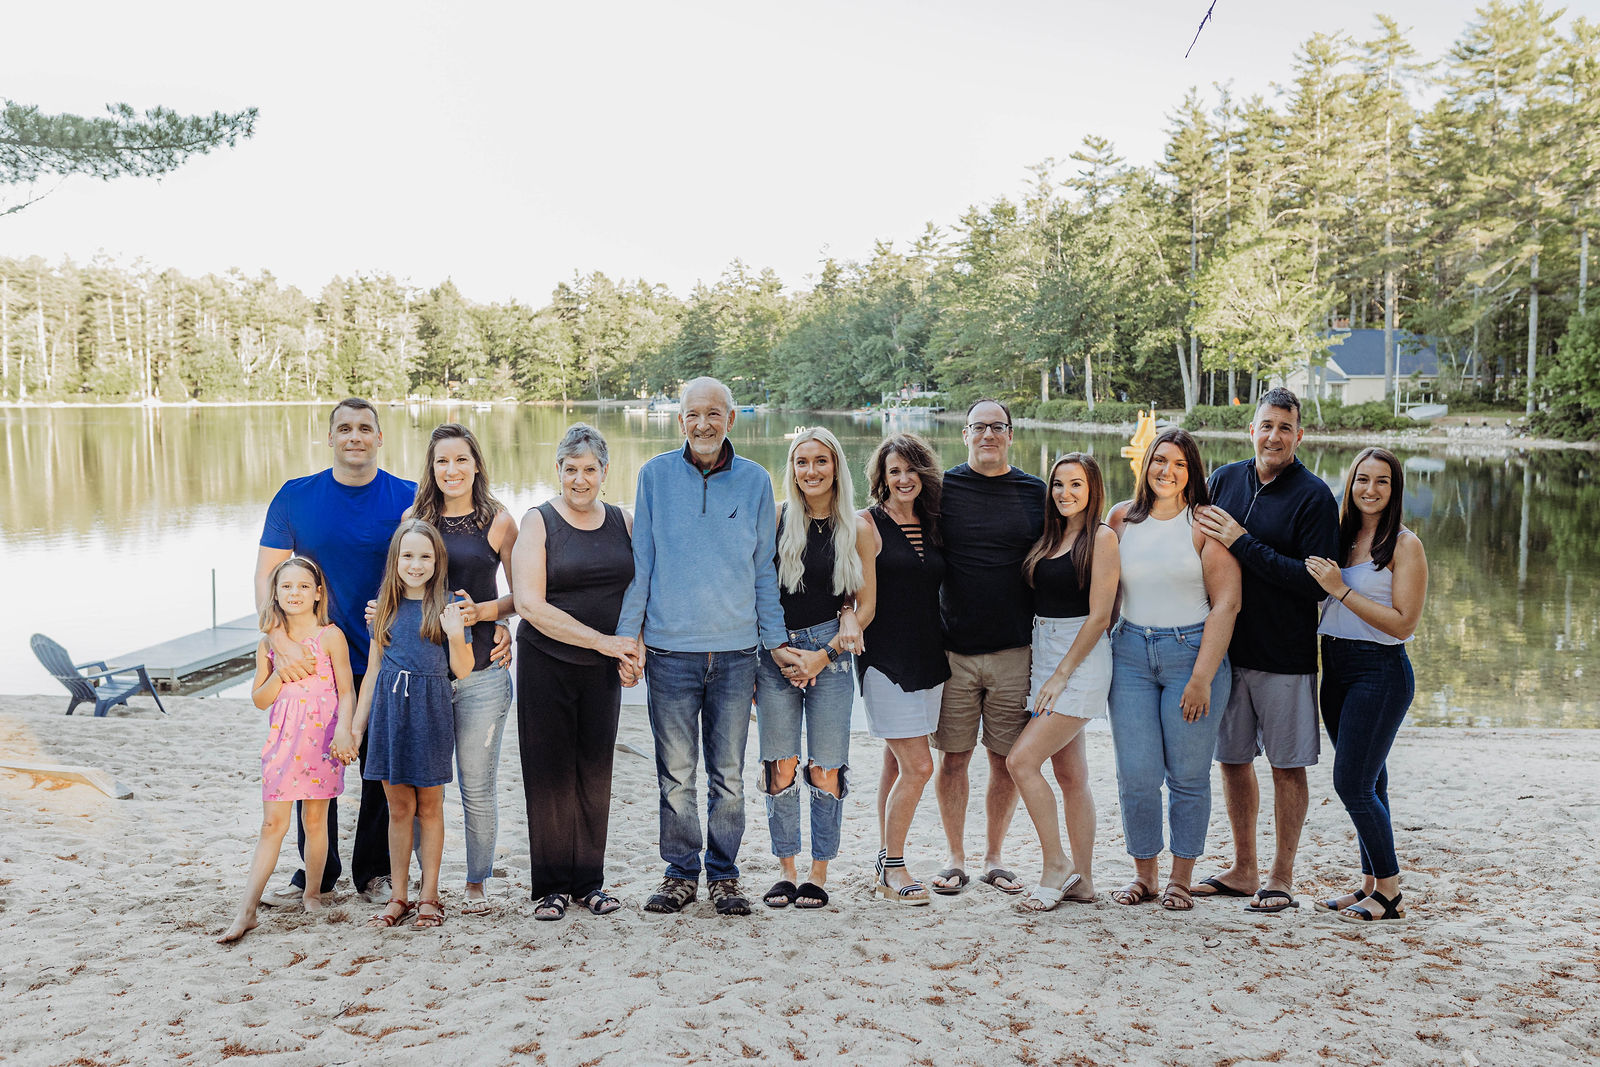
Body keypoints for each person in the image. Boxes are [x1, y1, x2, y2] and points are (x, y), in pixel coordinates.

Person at [614, 377, 789, 917]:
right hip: (670, 653)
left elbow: (764, 571)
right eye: (694, 414)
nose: (704, 423)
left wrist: (774, 643)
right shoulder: (654, 477)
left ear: (731, 419)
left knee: (729, 777)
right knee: (676, 775)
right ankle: (680, 873)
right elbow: (642, 562)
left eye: (714, 413)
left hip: (737, 655)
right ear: (680, 419)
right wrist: (628, 639)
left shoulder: (757, 481)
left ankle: (725, 875)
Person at [255, 399, 415, 906]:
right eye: (344, 428)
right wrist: (278, 639)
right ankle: (317, 872)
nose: (354, 436)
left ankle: (373, 872)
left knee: (377, 770)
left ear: (379, 437)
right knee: (308, 768)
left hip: (388, 654)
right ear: (330, 438)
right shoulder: (295, 496)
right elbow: (268, 576)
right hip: (312, 660)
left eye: (365, 428)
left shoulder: (408, 497)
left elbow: (436, 566)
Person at [1194, 387, 1339, 913]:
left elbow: (1315, 584)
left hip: (1284, 655)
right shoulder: (1224, 480)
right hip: (1226, 651)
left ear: (1299, 435)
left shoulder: (1315, 496)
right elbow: (1194, 549)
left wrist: (1241, 541)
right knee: (1231, 760)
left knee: (1286, 766)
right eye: (1266, 425)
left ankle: (1281, 875)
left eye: (1284, 427)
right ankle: (1244, 867)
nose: (1273, 435)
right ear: (1250, 429)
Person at [1105, 429, 1240, 911]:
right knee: (1136, 774)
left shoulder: (1204, 523)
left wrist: (1202, 676)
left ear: (1192, 472)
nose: (1167, 471)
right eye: (1160, 460)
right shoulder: (1121, 518)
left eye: (1180, 464)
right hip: (1131, 655)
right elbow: (1105, 596)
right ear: (1146, 464)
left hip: (1191, 655)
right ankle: (1145, 874)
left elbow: (1226, 604)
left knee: (1187, 774)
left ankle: (1181, 878)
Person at [511, 424, 638, 920]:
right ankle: (551, 888)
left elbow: (637, 593)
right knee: (549, 777)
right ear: (558, 471)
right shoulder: (538, 522)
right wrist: (606, 642)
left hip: (601, 672)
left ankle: (589, 883)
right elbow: (529, 604)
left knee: (594, 774)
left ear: (605, 473)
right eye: (571, 469)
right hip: (547, 664)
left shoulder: (622, 521)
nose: (580, 479)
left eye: (590, 470)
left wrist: (632, 650)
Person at [333, 520, 474, 930]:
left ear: (437, 561)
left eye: (425, 556)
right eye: (408, 556)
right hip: (389, 716)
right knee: (398, 809)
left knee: (429, 807)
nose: (416, 564)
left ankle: (429, 895)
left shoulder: (448, 607)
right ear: (395, 560)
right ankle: (399, 896)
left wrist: (455, 634)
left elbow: (462, 670)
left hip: (430, 713)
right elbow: (374, 670)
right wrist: (358, 728)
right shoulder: (384, 607)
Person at [1307, 447, 1427, 924]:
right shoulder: (1341, 537)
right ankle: (1369, 885)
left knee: (1351, 782)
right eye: (1362, 479)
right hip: (1334, 667)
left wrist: (1341, 589)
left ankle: (1391, 895)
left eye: (1382, 481)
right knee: (1371, 781)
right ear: (1350, 483)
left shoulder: (1404, 545)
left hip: (1380, 671)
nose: (1370, 490)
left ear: (1394, 490)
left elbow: (1402, 624)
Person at [756, 427, 875, 911]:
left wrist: (822, 655)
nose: (811, 471)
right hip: (777, 653)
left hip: (832, 654)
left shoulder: (859, 526)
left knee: (826, 767)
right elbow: (761, 592)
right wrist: (781, 650)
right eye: (802, 462)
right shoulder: (779, 518)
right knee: (780, 765)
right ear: (792, 468)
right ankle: (786, 869)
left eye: (820, 461)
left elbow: (865, 608)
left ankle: (818, 872)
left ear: (836, 466)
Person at [930, 399, 1045, 896]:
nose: (989, 436)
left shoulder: (1035, 493)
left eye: (998, 428)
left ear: (1011, 435)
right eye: (980, 427)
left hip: (1015, 650)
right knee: (952, 759)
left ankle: (994, 856)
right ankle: (955, 857)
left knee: (1003, 760)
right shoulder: (941, 491)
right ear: (965, 434)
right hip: (952, 651)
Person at [406, 423, 518, 916]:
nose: (451, 470)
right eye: (441, 462)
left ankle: (476, 881)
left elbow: (525, 596)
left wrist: (491, 616)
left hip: (482, 674)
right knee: (421, 781)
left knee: (477, 783)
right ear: (432, 469)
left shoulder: (498, 520)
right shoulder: (414, 517)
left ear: (476, 464)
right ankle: (420, 877)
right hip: (425, 669)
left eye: (460, 460)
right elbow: (403, 581)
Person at [218, 557, 354, 943]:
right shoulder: (268, 644)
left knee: (315, 822)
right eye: (286, 587)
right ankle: (247, 910)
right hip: (282, 744)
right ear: (275, 594)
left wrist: (345, 730)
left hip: (322, 743)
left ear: (317, 593)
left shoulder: (330, 636)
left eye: (303, 586)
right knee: (271, 825)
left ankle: (312, 893)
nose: (295, 593)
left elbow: (347, 690)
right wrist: (278, 673)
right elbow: (260, 700)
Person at [1007, 454, 1119, 911]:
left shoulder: (1103, 539)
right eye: (1057, 484)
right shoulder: (1051, 536)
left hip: (1080, 660)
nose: (1065, 493)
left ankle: (1056, 863)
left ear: (1092, 489)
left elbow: (1099, 618)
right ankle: (1085, 880)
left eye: (1076, 484)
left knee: (1021, 761)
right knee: (1071, 775)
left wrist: (1060, 675)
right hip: (1045, 652)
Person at [856, 434, 948, 907]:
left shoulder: (933, 523)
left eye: (912, 469)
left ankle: (883, 856)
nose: (904, 478)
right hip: (885, 661)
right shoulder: (866, 524)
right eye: (894, 471)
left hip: (930, 658)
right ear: (882, 478)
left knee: (896, 763)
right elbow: (854, 599)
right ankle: (894, 866)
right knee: (918, 766)